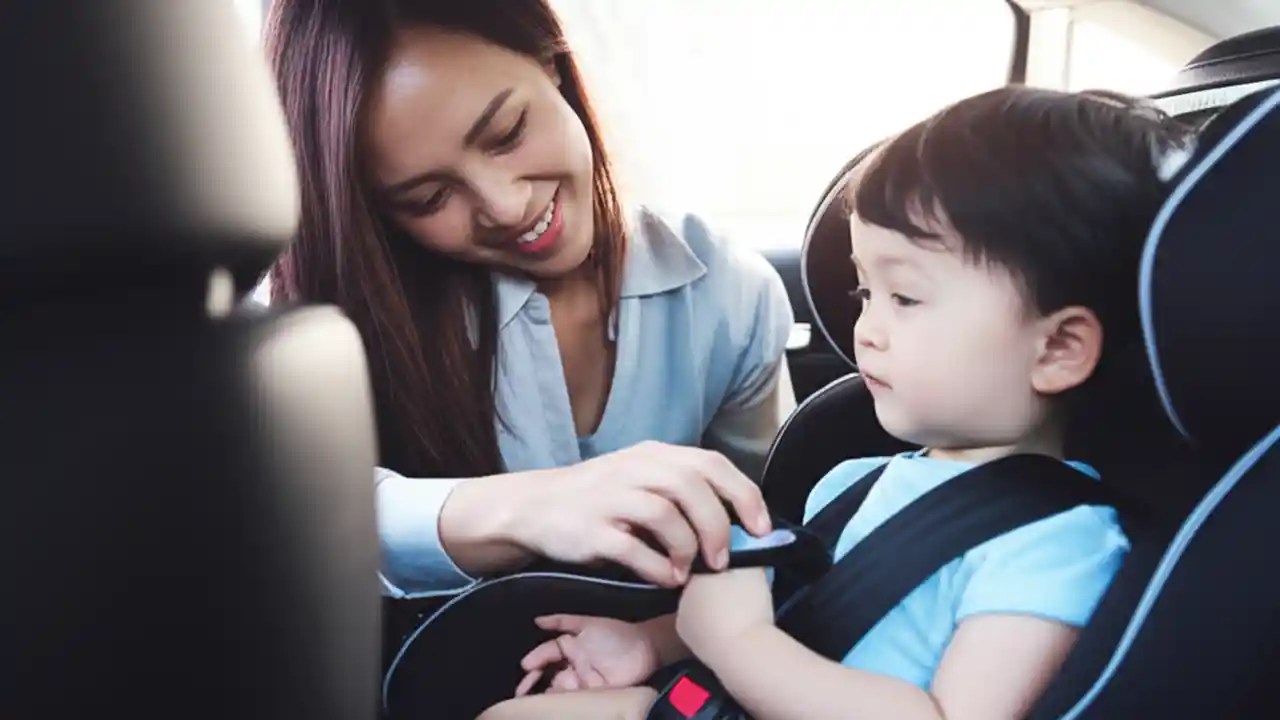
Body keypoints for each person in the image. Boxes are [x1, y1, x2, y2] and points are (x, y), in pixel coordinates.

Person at [476, 86, 1194, 719]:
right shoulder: (854, 481)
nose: (866, 329)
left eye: (906, 297)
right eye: (865, 293)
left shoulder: (1057, 543)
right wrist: (648, 641)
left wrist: (740, 647)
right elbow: (787, 615)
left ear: (1058, 348)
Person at [262, 0, 793, 599]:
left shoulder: (727, 293)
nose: (506, 206)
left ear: (552, 62)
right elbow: (289, 511)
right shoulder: (333, 330)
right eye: (431, 199)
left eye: (507, 133)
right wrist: (525, 510)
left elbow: (764, 544)